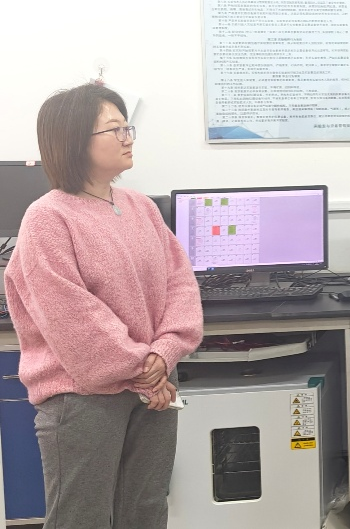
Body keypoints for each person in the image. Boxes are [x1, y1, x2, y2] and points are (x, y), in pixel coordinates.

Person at [3, 83, 204, 529]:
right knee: (82, 517)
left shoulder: (140, 206)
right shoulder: (48, 217)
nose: (128, 137)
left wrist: (165, 352)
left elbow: (179, 282)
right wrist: (143, 367)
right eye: (115, 129)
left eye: (127, 127)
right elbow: (70, 314)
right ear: (74, 140)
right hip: (84, 397)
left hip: (153, 385)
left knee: (146, 510)